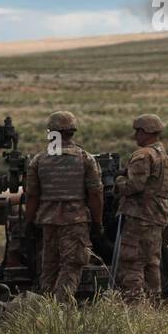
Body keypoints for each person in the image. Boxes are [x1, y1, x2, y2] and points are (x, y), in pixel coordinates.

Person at [24, 111, 103, 300]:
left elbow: (32, 196)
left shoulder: (39, 160)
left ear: (52, 132)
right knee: (72, 267)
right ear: (72, 132)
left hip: (48, 222)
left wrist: (29, 223)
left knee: (49, 267)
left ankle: (46, 306)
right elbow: (95, 194)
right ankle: (59, 309)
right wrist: (98, 223)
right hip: (75, 222)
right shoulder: (85, 159)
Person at [113, 114, 168, 300]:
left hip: (139, 217)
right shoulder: (167, 159)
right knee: (152, 263)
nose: (135, 136)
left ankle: (135, 306)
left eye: (137, 132)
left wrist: (119, 180)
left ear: (146, 132)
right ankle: (153, 302)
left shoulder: (143, 155)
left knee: (132, 262)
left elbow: (134, 186)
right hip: (157, 217)